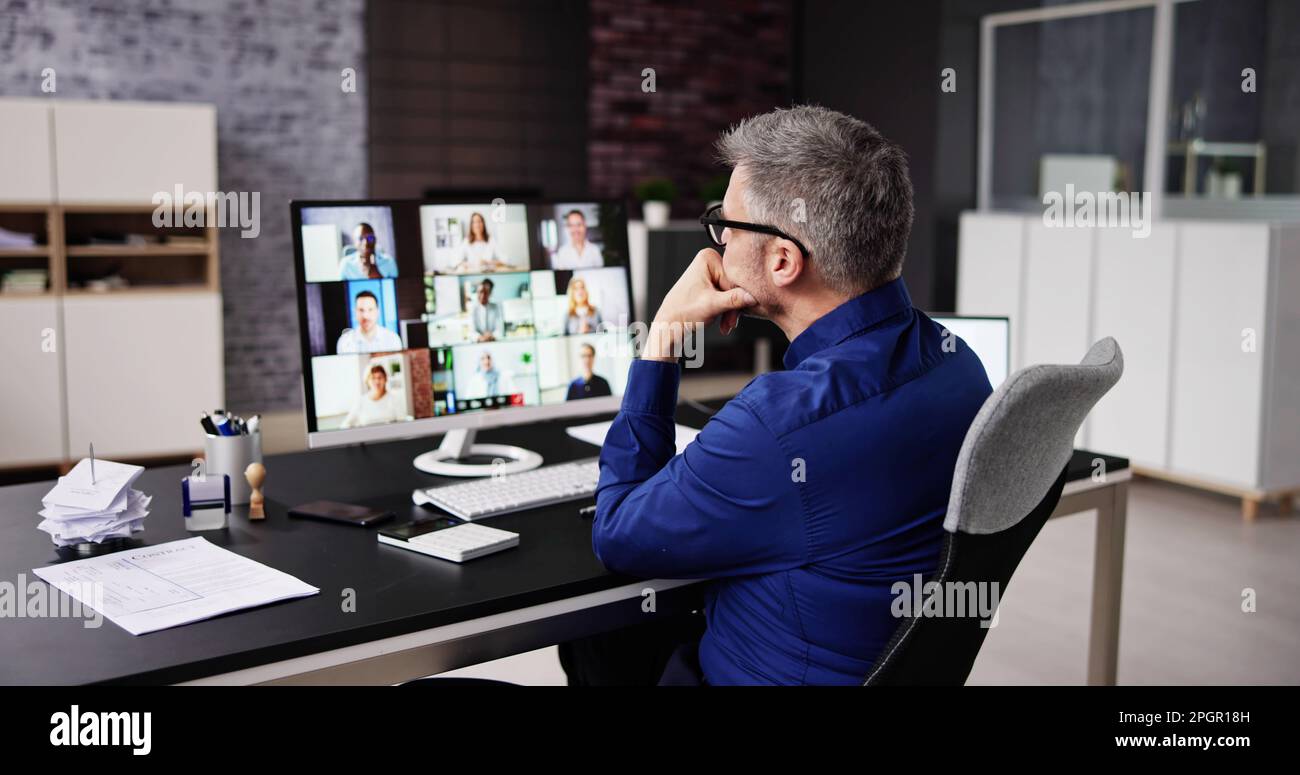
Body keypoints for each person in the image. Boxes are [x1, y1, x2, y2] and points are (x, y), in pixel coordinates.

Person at [563, 106, 994, 686]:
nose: (716, 242)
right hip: (846, 653)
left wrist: (662, 337)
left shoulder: (777, 427)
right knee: (601, 637)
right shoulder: (959, 365)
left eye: (727, 224)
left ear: (783, 260)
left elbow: (616, 534)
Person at [336, 290, 404, 353]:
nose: (365, 316)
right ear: (355, 312)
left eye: (370, 309)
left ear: (378, 311)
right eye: (361, 310)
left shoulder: (393, 339)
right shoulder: (344, 342)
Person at [341, 364, 404, 428]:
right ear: (367, 381)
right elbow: (345, 425)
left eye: (380, 377)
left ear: (385, 379)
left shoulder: (394, 399)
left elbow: (403, 424)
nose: (377, 381)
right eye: (373, 378)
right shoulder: (361, 401)